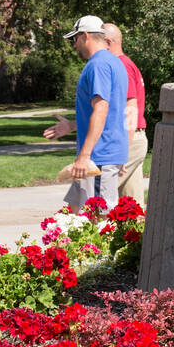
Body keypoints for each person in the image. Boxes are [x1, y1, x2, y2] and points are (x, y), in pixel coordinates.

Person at [43, 15, 128, 214]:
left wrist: (85, 156)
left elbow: (102, 110)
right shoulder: (113, 62)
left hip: (98, 158)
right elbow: (110, 111)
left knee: (97, 224)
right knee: (75, 217)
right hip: (103, 155)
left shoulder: (98, 65)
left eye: (74, 39)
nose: (74, 46)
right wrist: (73, 126)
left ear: (85, 36)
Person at [103, 22, 148, 206]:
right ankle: (138, 235)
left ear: (107, 42)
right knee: (131, 207)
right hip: (134, 138)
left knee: (97, 200)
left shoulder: (120, 65)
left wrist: (123, 150)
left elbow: (130, 108)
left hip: (128, 139)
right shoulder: (126, 64)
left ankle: (70, 230)